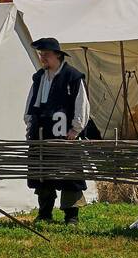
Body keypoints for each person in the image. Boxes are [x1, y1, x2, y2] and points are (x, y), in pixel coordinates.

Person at [25, 37, 92, 225]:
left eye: (46, 55)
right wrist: (30, 127)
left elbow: (82, 106)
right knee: (43, 175)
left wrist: (75, 130)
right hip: (41, 135)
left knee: (69, 175)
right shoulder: (39, 77)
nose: (42, 58)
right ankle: (45, 213)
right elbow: (31, 105)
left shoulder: (72, 76)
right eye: (41, 55)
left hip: (64, 137)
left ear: (57, 55)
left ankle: (71, 217)